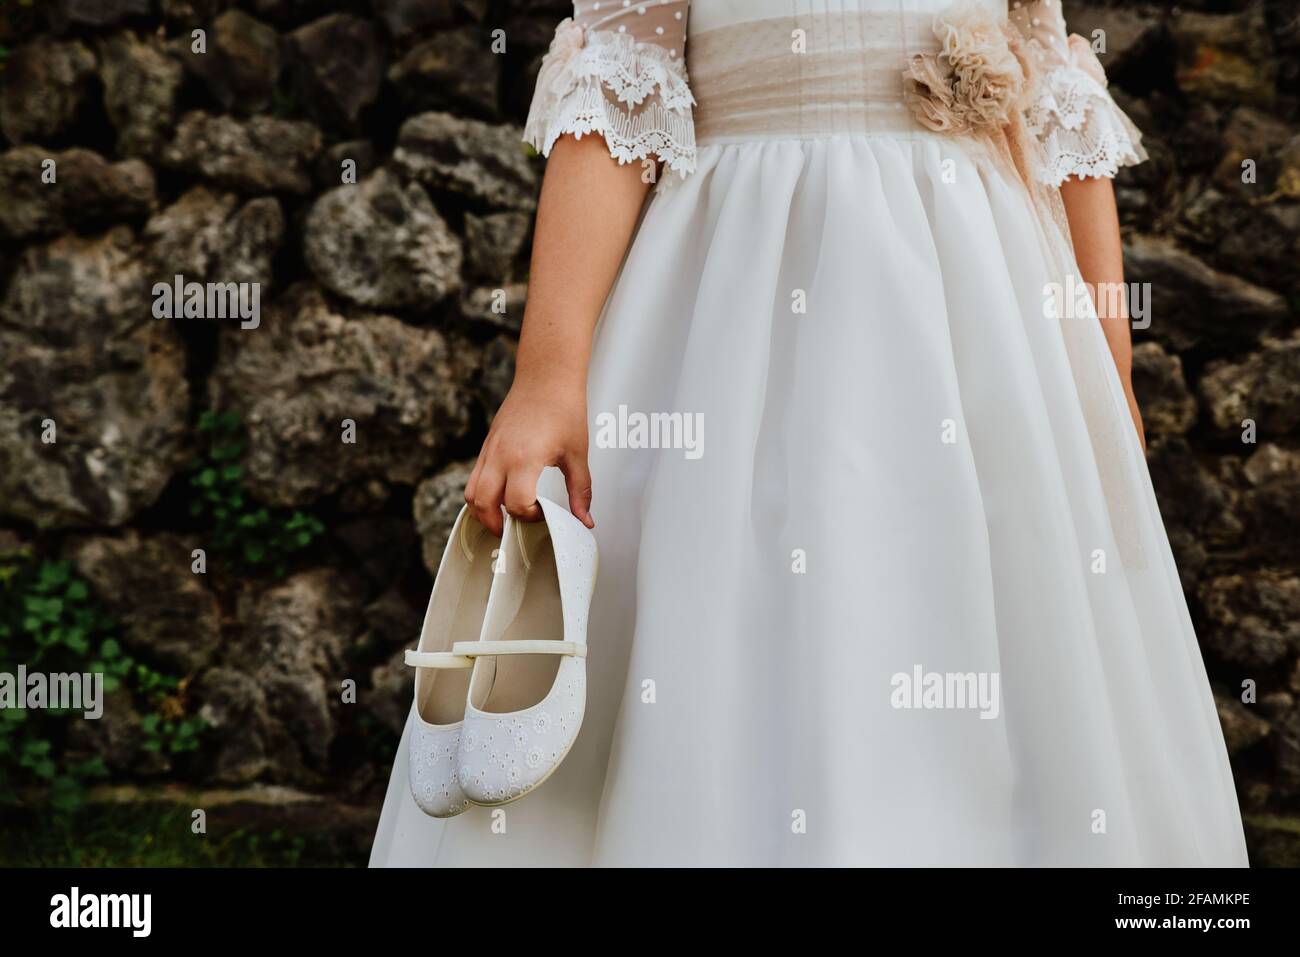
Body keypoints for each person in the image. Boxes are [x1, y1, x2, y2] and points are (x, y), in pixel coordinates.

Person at [371, 0, 1248, 867]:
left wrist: (1108, 370)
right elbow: (616, 88)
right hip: (730, 293)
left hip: (983, 300)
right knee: (724, 610)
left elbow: (1050, 95)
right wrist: (547, 377)